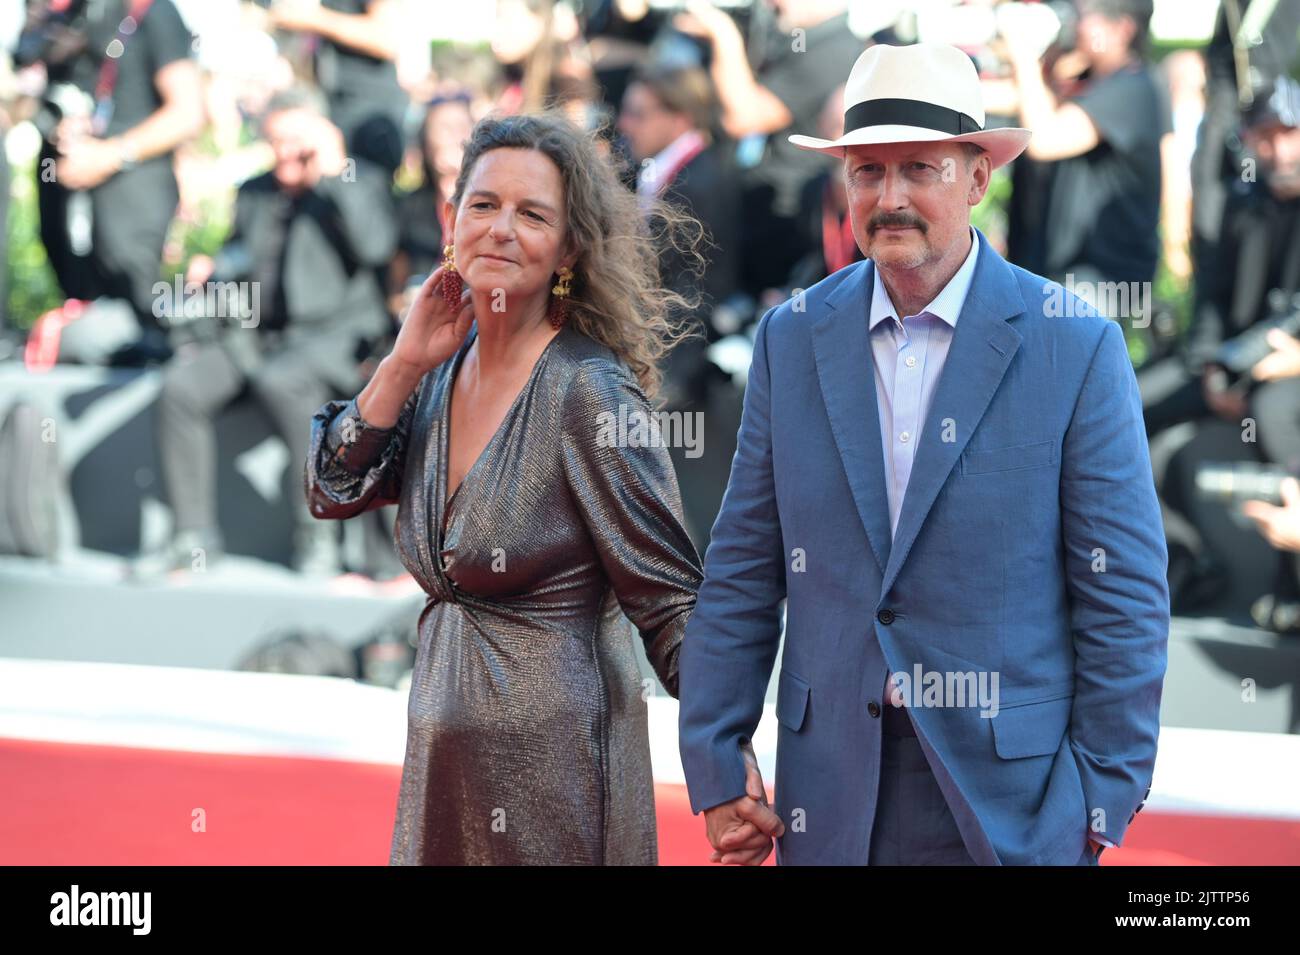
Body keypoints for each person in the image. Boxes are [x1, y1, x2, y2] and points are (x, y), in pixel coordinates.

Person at [677, 43, 1170, 866]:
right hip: (829, 799)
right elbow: (741, 565)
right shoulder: (792, 339)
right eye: (867, 171)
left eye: (919, 168)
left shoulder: (1074, 346)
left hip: (1013, 811)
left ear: (977, 179)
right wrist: (717, 758)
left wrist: (1096, 800)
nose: (890, 196)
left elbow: (1124, 592)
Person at [303, 112, 704, 864]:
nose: (500, 229)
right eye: (483, 205)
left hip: (561, 779)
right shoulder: (437, 376)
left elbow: (671, 602)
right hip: (442, 769)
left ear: (570, 248)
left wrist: (727, 760)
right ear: (452, 221)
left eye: (532, 214)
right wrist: (401, 364)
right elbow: (331, 487)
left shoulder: (589, 391)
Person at [134, 88, 397, 577]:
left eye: (295, 140)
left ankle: (316, 529)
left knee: (282, 380)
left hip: (336, 338)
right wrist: (212, 269)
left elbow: (377, 246)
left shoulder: (357, 180)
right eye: (275, 141)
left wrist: (335, 169)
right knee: (180, 389)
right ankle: (192, 536)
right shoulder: (254, 192)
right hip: (258, 335)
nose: (284, 153)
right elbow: (242, 259)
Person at [20, 0, 202, 357]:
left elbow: (188, 111)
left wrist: (112, 155)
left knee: (133, 325)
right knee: (83, 327)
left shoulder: (151, 10)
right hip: (70, 202)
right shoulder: (60, 16)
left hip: (131, 203)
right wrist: (59, 127)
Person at [1000, 0, 1170, 294]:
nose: (1075, 24)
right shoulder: (1095, 82)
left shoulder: (1132, 89)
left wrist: (1023, 53)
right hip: (1072, 271)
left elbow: (1044, 140)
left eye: (1086, 16)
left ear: (1122, 29)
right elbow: (1028, 102)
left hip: (1103, 278)